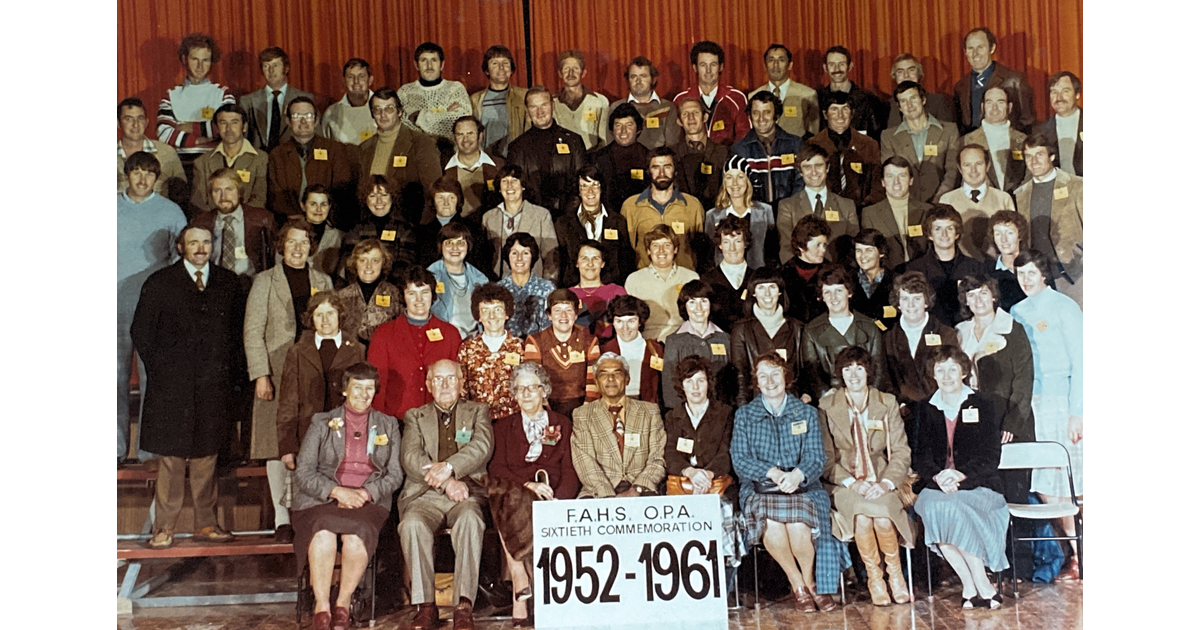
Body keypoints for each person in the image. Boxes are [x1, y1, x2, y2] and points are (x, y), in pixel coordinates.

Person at [131, 221, 244, 547]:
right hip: (172, 387)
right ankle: (164, 528)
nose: (200, 248)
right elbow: (141, 331)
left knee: (207, 456)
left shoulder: (227, 283)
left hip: (213, 386)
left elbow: (236, 335)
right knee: (172, 458)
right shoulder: (161, 282)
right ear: (181, 247)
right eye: (193, 242)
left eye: (206, 242)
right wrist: (163, 371)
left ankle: (206, 524)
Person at [731, 352, 849, 611]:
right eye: (763, 376)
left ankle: (808, 584)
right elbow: (740, 460)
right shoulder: (745, 415)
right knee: (772, 523)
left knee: (797, 524)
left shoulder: (805, 412)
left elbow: (816, 457)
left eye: (775, 374)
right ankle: (799, 584)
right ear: (756, 382)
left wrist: (797, 475)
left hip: (802, 486)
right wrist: (771, 473)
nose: (770, 381)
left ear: (786, 377)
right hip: (761, 488)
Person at [291, 362, 404, 630]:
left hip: (368, 501)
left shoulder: (388, 425)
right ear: (344, 390)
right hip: (321, 500)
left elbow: (395, 474)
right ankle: (321, 607)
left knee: (356, 535)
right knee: (323, 535)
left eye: (370, 389)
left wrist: (365, 493)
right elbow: (304, 472)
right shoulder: (321, 422)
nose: (364, 395)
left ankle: (342, 603)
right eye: (357, 388)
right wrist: (336, 491)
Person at [245, 219, 334, 539]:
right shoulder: (264, 281)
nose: (298, 248)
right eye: (292, 242)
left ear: (312, 246)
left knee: (314, 443)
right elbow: (253, 331)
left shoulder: (322, 279)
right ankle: (282, 518)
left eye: (304, 241)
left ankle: (308, 510)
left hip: (314, 370)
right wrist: (260, 374)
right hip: (278, 371)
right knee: (275, 444)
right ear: (282, 246)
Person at [396, 360, 494, 630]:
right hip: (425, 494)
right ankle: (426, 607)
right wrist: (446, 483)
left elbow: (482, 447)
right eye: (438, 379)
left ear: (462, 382)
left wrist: (451, 468)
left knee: (471, 521)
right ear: (428, 385)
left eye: (451, 379)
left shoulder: (478, 411)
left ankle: (463, 605)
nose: (445, 385)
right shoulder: (415, 416)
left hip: (467, 493)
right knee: (412, 525)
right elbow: (411, 457)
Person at [911, 346, 1009, 609]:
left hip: (979, 485)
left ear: (964, 372)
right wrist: (939, 476)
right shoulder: (924, 408)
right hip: (936, 485)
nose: (946, 375)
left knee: (952, 510)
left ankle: (975, 585)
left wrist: (961, 476)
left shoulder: (984, 404)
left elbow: (991, 456)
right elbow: (920, 457)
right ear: (933, 374)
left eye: (952, 369)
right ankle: (973, 582)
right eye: (940, 369)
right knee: (936, 509)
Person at [818, 347, 912, 606]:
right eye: (847, 369)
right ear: (840, 374)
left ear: (868, 371)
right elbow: (826, 459)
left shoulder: (886, 402)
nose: (854, 374)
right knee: (861, 517)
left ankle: (896, 576)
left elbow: (902, 451)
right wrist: (853, 483)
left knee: (882, 520)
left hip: (882, 480)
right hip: (845, 483)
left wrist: (884, 483)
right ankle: (875, 579)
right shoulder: (827, 405)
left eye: (859, 367)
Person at [1009, 249, 1083, 581]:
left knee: (1076, 484)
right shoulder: (1017, 310)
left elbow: (1082, 362)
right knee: (1045, 485)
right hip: (1033, 404)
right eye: (1020, 274)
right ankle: (1073, 552)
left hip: (1063, 402)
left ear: (1043, 274)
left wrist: (1077, 412)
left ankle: (1083, 556)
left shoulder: (1065, 307)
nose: (1025, 280)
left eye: (1031, 273)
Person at [488, 362, 580, 625]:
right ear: (514, 395)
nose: (526, 394)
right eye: (520, 389)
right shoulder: (503, 427)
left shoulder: (562, 423)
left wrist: (559, 500)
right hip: (517, 493)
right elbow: (497, 467)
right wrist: (527, 485)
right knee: (508, 498)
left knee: (526, 509)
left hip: (551, 494)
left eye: (532, 388)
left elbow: (570, 468)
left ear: (544, 391)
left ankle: (523, 595)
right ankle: (519, 574)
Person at [276, 291, 367, 543]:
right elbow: (287, 402)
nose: (325, 320)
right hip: (309, 437)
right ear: (310, 319)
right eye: (319, 315)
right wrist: (287, 446)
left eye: (330, 314)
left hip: (348, 439)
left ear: (340, 316)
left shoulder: (357, 349)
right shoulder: (297, 351)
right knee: (314, 507)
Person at [119, 152, 189, 462]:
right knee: (112, 376)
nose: (142, 178)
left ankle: (149, 450)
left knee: (154, 378)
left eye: (149, 173)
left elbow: (182, 260)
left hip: (154, 308)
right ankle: (114, 448)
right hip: (112, 305)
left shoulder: (171, 211)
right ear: (126, 174)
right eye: (136, 171)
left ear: (156, 177)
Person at [954, 275, 1034, 501]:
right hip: (974, 421)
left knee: (1013, 489)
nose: (978, 300)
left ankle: (1015, 535)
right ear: (965, 301)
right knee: (980, 486)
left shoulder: (1012, 329)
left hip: (1009, 420)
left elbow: (1023, 379)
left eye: (983, 293)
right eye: (971, 295)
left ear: (994, 296)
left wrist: (1012, 423)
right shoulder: (959, 332)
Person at [367, 266, 464, 420]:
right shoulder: (384, 334)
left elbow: (458, 382)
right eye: (412, 293)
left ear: (432, 295)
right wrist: (379, 421)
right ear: (403, 296)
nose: (419, 300)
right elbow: (377, 382)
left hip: (439, 420)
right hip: (396, 420)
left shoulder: (450, 334)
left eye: (424, 293)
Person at [571, 353, 666, 497]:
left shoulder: (650, 411)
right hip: (598, 491)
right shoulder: (582, 414)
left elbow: (658, 457)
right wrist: (608, 496)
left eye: (617, 373)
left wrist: (637, 489)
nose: (611, 379)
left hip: (642, 489)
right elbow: (584, 462)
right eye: (604, 374)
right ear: (596, 382)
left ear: (627, 379)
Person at [881, 271, 959, 432]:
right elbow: (885, 378)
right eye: (905, 299)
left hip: (939, 413)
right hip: (900, 414)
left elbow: (953, 375)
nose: (910, 305)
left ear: (926, 302)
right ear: (898, 304)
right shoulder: (887, 337)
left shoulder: (946, 334)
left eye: (916, 299)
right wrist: (901, 403)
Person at [1013, 133, 1084, 308]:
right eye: (1028, 156)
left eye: (1039, 155)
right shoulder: (1020, 194)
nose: (1034, 161)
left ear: (1051, 156)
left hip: (1074, 275)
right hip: (1040, 280)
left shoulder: (1077, 186)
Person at [800, 266, 886, 401]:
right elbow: (813, 375)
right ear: (821, 297)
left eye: (839, 290)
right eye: (827, 292)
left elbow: (879, 370)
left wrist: (868, 398)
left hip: (866, 397)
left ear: (849, 293)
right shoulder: (812, 331)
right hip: (830, 399)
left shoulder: (869, 327)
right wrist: (830, 399)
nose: (833, 297)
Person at [266, 97, 355, 224]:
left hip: (329, 223)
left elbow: (342, 191)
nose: (303, 121)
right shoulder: (277, 154)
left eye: (308, 115)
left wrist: (322, 215)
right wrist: (298, 220)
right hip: (291, 225)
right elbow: (276, 197)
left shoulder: (335, 149)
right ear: (288, 121)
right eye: (297, 116)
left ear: (316, 119)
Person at [357, 87, 441, 222]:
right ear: (372, 114)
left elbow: (433, 190)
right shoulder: (364, 149)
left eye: (389, 109)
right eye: (378, 110)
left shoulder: (421, 143)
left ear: (400, 112)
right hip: (372, 225)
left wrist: (424, 227)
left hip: (411, 224)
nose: (383, 115)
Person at [621, 146, 705, 270]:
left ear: (675, 170)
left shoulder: (692, 205)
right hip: (646, 281)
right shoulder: (631, 206)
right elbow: (627, 251)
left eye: (667, 167)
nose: (661, 173)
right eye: (656, 167)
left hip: (684, 282)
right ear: (648, 171)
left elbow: (699, 250)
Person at [509, 85, 588, 216]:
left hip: (568, 216)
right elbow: (515, 188)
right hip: (531, 217)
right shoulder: (517, 147)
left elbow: (582, 183)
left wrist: (567, 217)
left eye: (544, 105)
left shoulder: (574, 141)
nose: (540, 111)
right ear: (527, 111)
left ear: (553, 106)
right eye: (534, 107)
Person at [903, 205, 988, 326]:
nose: (944, 234)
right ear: (930, 234)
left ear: (957, 234)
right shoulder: (915, 269)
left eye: (949, 228)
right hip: (930, 332)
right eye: (938, 229)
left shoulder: (976, 267)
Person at [731, 268, 805, 406]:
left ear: (780, 291)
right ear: (753, 293)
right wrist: (744, 408)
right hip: (756, 404)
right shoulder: (741, 330)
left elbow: (803, 370)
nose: (767, 293)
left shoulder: (796, 328)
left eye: (772, 287)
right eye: (761, 288)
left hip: (791, 402)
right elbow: (740, 375)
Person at [555, 166, 637, 288]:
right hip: (575, 290)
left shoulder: (617, 221)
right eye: (584, 186)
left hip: (611, 289)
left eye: (595, 185)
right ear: (578, 191)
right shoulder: (564, 223)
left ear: (601, 188)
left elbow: (625, 259)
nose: (590, 191)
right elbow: (562, 261)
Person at [776, 144, 858, 265]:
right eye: (807, 167)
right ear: (800, 171)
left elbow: (853, 247)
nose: (814, 172)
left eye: (818, 165)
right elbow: (786, 248)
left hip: (837, 275)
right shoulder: (787, 206)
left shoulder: (847, 206)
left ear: (827, 167)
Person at [523, 289, 600, 418]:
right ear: (549, 315)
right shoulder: (534, 341)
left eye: (569, 310)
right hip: (546, 407)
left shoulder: (590, 342)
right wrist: (546, 413)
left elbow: (594, 382)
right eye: (557, 311)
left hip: (582, 407)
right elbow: (532, 381)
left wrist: (585, 412)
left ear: (576, 315)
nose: (563, 316)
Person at [880, 81, 959, 204]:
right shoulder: (888, 137)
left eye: (913, 98)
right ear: (899, 107)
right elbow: (891, 174)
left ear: (923, 100)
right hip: (907, 205)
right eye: (903, 101)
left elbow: (952, 171)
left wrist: (940, 199)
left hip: (942, 203)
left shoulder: (949, 130)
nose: (909, 105)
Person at [662, 280, 735, 410]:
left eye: (703, 301)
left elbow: (732, 381)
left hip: (721, 412)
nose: (699, 308)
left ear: (711, 304)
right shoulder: (674, 341)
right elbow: (669, 383)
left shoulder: (725, 338)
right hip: (687, 413)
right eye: (692, 302)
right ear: (684, 306)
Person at [194, 168, 276, 282]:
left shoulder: (262, 219)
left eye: (229, 189)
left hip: (252, 284)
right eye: (217, 190)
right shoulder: (201, 222)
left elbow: (272, 259)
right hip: (215, 285)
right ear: (211, 194)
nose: (223, 197)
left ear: (239, 192)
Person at [938, 143, 1018, 260]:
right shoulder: (947, 200)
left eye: (979, 164)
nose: (973, 170)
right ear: (960, 168)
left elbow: (1013, 241)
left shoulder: (1003, 199)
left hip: (995, 267)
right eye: (967, 165)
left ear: (988, 166)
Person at [481, 164, 560, 281]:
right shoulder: (489, 218)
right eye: (504, 181)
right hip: (499, 285)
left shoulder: (541, 215)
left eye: (514, 180)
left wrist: (548, 286)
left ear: (523, 186)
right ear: (499, 188)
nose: (509, 186)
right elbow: (484, 258)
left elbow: (551, 256)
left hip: (533, 285)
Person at [457, 283, 524, 420]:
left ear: (507, 314)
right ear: (479, 316)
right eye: (485, 311)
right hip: (479, 422)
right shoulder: (467, 349)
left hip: (513, 421)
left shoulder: (521, 347)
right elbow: (462, 392)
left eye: (498, 309)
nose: (492, 316)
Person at [623, 224, 700, 341]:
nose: (661, 250)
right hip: (648, 342)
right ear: (648, 251)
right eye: (655, 245)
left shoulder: (690, 277)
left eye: (667, 245)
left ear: (675, 249)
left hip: (684, 340)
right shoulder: (634, 280)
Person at [157, 33, 234, 149]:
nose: (200, 66)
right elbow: (163, 133)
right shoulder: (170, 96)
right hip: (179, 161)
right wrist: (199, 139)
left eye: (205, 60)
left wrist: (188, 127)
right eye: (195, 59)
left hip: (214, 160)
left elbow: (228, 127)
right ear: (184, 59)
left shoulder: (223, 93)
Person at [809, 92, 885, 209]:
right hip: (825, 210)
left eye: (845, 109)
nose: (840, 115)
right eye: (834, 109)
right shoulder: (812, 144)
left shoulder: (869, 145)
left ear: (852, 113)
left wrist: (865, 208)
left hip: (861, 210)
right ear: (825, 114)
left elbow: (877, 184)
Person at [953, 26, 1035, 133]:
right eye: (970, 48)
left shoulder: (1015, 80)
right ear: (965, 52)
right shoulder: (960, 86)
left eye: (980, 47)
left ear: (992, 48)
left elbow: (1027, 121)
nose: (975, 53)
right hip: (973, 145)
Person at [341, 175, 418, 287]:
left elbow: (405, 266)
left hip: (393, 289)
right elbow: (349, 264)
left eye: (384, 195)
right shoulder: (355, 230)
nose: (379, 201)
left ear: (392, 197)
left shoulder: (405, 229)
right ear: (365, 199)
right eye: (372, 196)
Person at [191, 104, 269, 213]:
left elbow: (260, 199)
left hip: (249, 223)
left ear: (244, 127)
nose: (228, 128)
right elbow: (198, 201)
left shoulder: (261, 158)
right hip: (213, 224)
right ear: (217, 128)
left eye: (234, 122)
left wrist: (237, 219)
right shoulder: (202, 162)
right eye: (223, 123)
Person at [730, 91, 803, 206]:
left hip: (789, 214)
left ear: (777, 115)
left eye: (767, 112)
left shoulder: (795, 144)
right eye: (756, 113)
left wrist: (788, 210)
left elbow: (801, 183)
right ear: (749, 116)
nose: (761, 118)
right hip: (756, 215)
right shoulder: (739, 149)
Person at [703, 156, 776, 271]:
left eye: (740, 177)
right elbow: (709, 255)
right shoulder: (712, 215)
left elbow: (772, 251)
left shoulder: (765, 211)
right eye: (729, 177)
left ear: (747, 181)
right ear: (724, 182)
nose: (735, 183)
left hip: (757, 277)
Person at [954, 86, 1028, 195]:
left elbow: (1030, 176)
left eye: (1000, 102)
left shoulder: (1023, 140)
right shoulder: (966, 141)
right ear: (982, 107)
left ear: (1010, 107)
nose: (994, 108)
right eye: (989, 103)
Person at [861, 157, 932, 270]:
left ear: (911, 180)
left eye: (902, 176)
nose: (896, 182)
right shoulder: (870, 214)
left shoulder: (927, 211)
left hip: (922, 275)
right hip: (888, 277)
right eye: (890, 176)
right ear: (883, 182)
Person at [672, 41, 749, 146]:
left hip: (726, 159)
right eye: (703, 65)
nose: (708, 70)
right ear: (695, 68)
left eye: (713, 64)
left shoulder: (736, 97)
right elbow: (676, 137)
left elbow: (744, 135)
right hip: (691, 159)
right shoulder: (681, 99)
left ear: (721, 67)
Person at [416, 174, 493, 275]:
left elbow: (481, 265)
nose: (446, 203)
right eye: (440, 198)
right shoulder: (423, 233)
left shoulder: (473, 229)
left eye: (451, 197)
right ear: (433, 201)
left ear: (458, 200)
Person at [241, 47, 314, 152]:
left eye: (275, 65)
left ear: (286, 68)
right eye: (266, 66)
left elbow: (314, 135)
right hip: (259, 159)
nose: (271, 70)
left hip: (293, 158)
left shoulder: (304, 99)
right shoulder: (248, 101)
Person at [398, 42, 472, 142]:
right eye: (424, 60)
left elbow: (462, 121)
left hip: (449, 150)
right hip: (416, 150)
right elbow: (401, 126)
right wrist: (445, 115)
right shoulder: (405, 92)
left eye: (434, 60)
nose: (429, 65)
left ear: (442, 65)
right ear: (416, 65)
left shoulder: (455, 88)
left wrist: (418, 118)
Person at [335, 238, 403, 346]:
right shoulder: (342, 296)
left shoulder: (395, 294)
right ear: (355, 263)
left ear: (383, 263)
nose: (368, 266)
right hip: (350, 357)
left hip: (383, 357)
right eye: (363, 260)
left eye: (375, 261)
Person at [429, 222, 491, 338]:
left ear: (468, 246)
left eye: (460, 243)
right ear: (440, 246)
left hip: (472, 341)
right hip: (440, 339)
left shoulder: (480, 279)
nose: (455, 248)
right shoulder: (430, 276)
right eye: (449, 243)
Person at [599, 295, 663, 404]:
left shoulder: (655, 349)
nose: (625, 328)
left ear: (640, 322)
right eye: (619, 321)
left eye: (631, 321)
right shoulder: (604, 350)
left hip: (647, 407)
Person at [588, 103, 651, 212]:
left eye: (629, 125)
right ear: (612, 130)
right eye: (618, 125)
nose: (623, 130)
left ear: (638, 129)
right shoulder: (597, 158)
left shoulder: (649, 157)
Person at [117, 97, 185, 196]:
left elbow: (181, 193)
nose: (135, 125)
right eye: (128, 119)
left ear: (146, 122)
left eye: (140, 118)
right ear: (118, 123)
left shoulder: (167, 153)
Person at [749, 43, 820, 137]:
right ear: (765, 66)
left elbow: (814, 132)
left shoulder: (807, 94)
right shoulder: (753, 96)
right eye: (771, 60)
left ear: (790, 65)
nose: (776, 65)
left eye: (781, 60)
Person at [470, 45, 529, 157]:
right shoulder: (475, 99)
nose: (501, 68)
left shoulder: (523, 96)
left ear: (511, 69)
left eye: (505, 63)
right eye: (495, 63)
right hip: (486, 161)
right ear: (487, 70)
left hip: (515, 159)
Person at [816, 46, 885, 140]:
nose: (837, 69)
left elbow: (876, 138)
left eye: (841, 64)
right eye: (832, 64)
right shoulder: (817, 99)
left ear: (850, 66)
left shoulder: (869, 100)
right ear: (825, 68)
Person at [672, 97, 729, 210]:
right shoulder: (672, 153)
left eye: (695, 112)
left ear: (705, 117)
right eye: (685, 114)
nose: (691, 117)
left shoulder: (723, 151)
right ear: (679, 121)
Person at [780, 215, 837, 324]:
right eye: (818, 245)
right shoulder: (782, 275)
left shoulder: (834, 273)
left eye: (824, 245)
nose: (823, 250)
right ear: (801, 246)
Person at [700, 216, 753, 332]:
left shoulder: (755, 278)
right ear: (720, 245)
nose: (732, 248)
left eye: (737, 241)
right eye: (726, 242)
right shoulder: (707, 280)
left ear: (745, 243)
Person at [444, 116, 504, 217]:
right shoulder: (444, 169)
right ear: (454, 138)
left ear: (480, 136)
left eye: (470, 133)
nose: (465, 140)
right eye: (460, 134)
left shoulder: (499, 165)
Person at [551, 51, 610, 150]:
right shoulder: (552, 103)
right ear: (560, 74)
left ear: (583, 73)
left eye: (576, 69)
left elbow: (604, 139)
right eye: (566, 69)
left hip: (591, 158)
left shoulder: (600, 101)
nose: (571, 74)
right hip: (562, 159)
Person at [498, 233, 554, 338]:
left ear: (532, 256)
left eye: (525, 253)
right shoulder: (498, 290)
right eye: (514, 253)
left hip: (538, 349)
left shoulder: (547, 288)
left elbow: (550, 327)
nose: (519, 258)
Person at [568, 240, 628, 334]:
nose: (590, 264)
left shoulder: (616, 292)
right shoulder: (568, 295)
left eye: (595, 258)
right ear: (577, 263)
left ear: (602, 264)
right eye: (584, 258)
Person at [623, 56, 681, 149]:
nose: (638, 81)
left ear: (653, 79)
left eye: (643, 76)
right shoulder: (617, 107)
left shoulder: (668, 107)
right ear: (628, 80)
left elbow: (672, 145)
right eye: (633, 76)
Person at [885, 54, 955, 129]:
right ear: (894, 76)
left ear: (919, 73)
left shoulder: (937, 101)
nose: (906, 75)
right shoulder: (888, 106)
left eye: (911, 70)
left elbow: (947, 132)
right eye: (900, 71)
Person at [321, 58, 378, 145]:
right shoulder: (332, 113)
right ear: (344, 81)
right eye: (350, 77)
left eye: (361, 76)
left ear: (370, 80)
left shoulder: (383, 108)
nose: (356, 81)